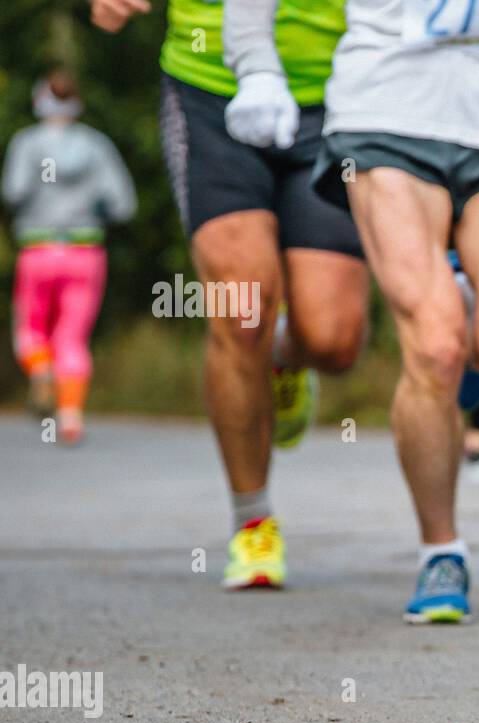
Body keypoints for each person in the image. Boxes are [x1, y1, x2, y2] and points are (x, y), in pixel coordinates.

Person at [226, 0, 479, 623]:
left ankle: (467, 306)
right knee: (434, 346)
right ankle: (442, 550)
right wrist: (257, 68)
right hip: (386, 110)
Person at [91, 0, 370, 591]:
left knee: (334, 339)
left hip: (340, 91)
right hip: (210, 85)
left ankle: (284, 355)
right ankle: (254, 521)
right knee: (240, 311)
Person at [3, 70, 136, 444]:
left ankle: (41, 371)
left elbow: (13, 192)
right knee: (72, 338)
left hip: (39, 249)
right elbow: (122, 205)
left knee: (30, 328)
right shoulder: (97, 147)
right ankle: (71, 417)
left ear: (40, 101)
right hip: (84, 252)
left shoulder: (27, 144)